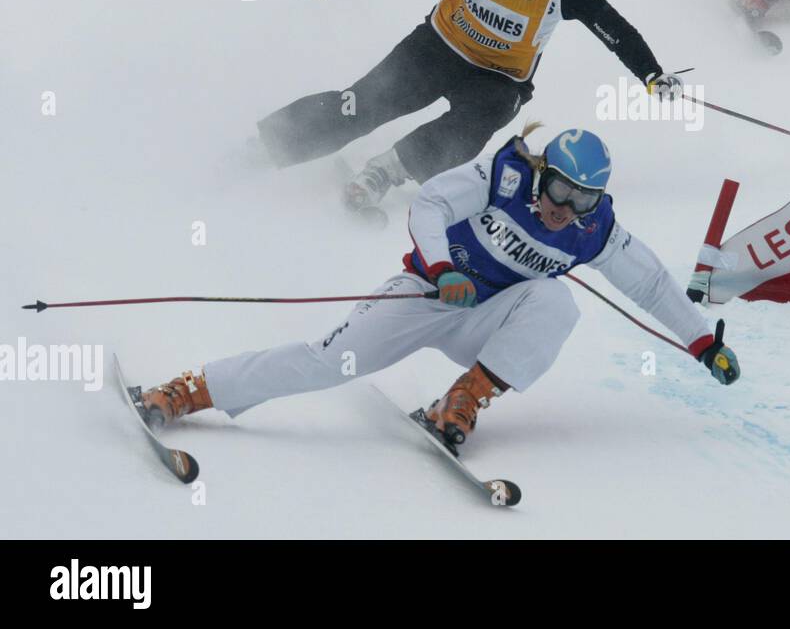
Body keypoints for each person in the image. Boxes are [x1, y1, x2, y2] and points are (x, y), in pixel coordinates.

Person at [138, 126, 740, 451]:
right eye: (560, 191)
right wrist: (441, 268)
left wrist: (701, 345)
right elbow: (428, 204)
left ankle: (464, 396)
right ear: (542, 174)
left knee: (557, 301)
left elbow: (654, 283)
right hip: (425, 293)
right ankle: (191, 390)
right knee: (327, 363)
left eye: (583, 199)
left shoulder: (594, 230)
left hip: (485, 319)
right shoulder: (501, 175)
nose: (566, 209)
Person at [255, 0, 684, 209]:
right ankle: (269, 145)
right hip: (439, 46)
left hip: (499, 78)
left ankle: (388, 168)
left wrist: (651, 73)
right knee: (362, 105)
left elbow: (612, 27)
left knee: (482, 119)